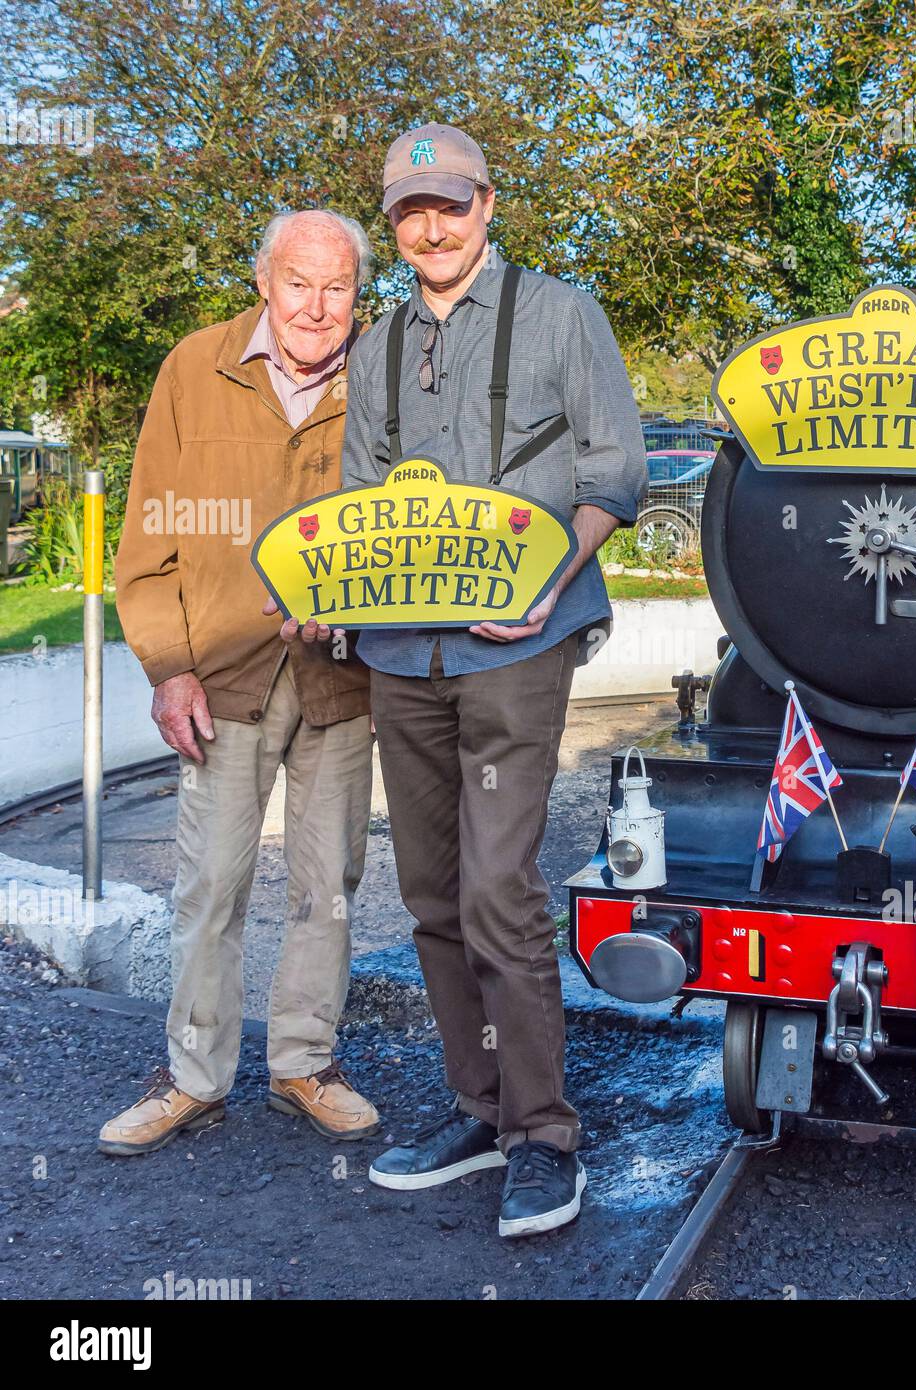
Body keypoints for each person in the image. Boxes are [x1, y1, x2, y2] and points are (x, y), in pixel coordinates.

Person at [286, 123, 647, 1236]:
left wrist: (551, 575)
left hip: (517, 646)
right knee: (430, 895)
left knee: (499, 890)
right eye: (410, 211)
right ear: (394, 223)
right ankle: (476, 1105)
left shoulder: (562, 312)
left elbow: (615, 469)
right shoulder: (383, 339)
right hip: (404, 652)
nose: (431, 226)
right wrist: (323, 589)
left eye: (449, 205)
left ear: (487, 205)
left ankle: (544, 1134)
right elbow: (359, 499)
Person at [102, 209, 380, 1155]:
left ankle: (305, 1063)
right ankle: (192, 1076)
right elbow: (145, 542)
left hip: (344, 676)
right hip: (219, 677)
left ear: (357, 295)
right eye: (298, 282)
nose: (316, 305)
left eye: (336, 286)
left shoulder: (384, 374)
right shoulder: (195, 366)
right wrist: (169, 667)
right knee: (211, 883)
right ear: (264, 282)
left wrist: (363, 607)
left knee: (327, 884)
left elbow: (413, 522)